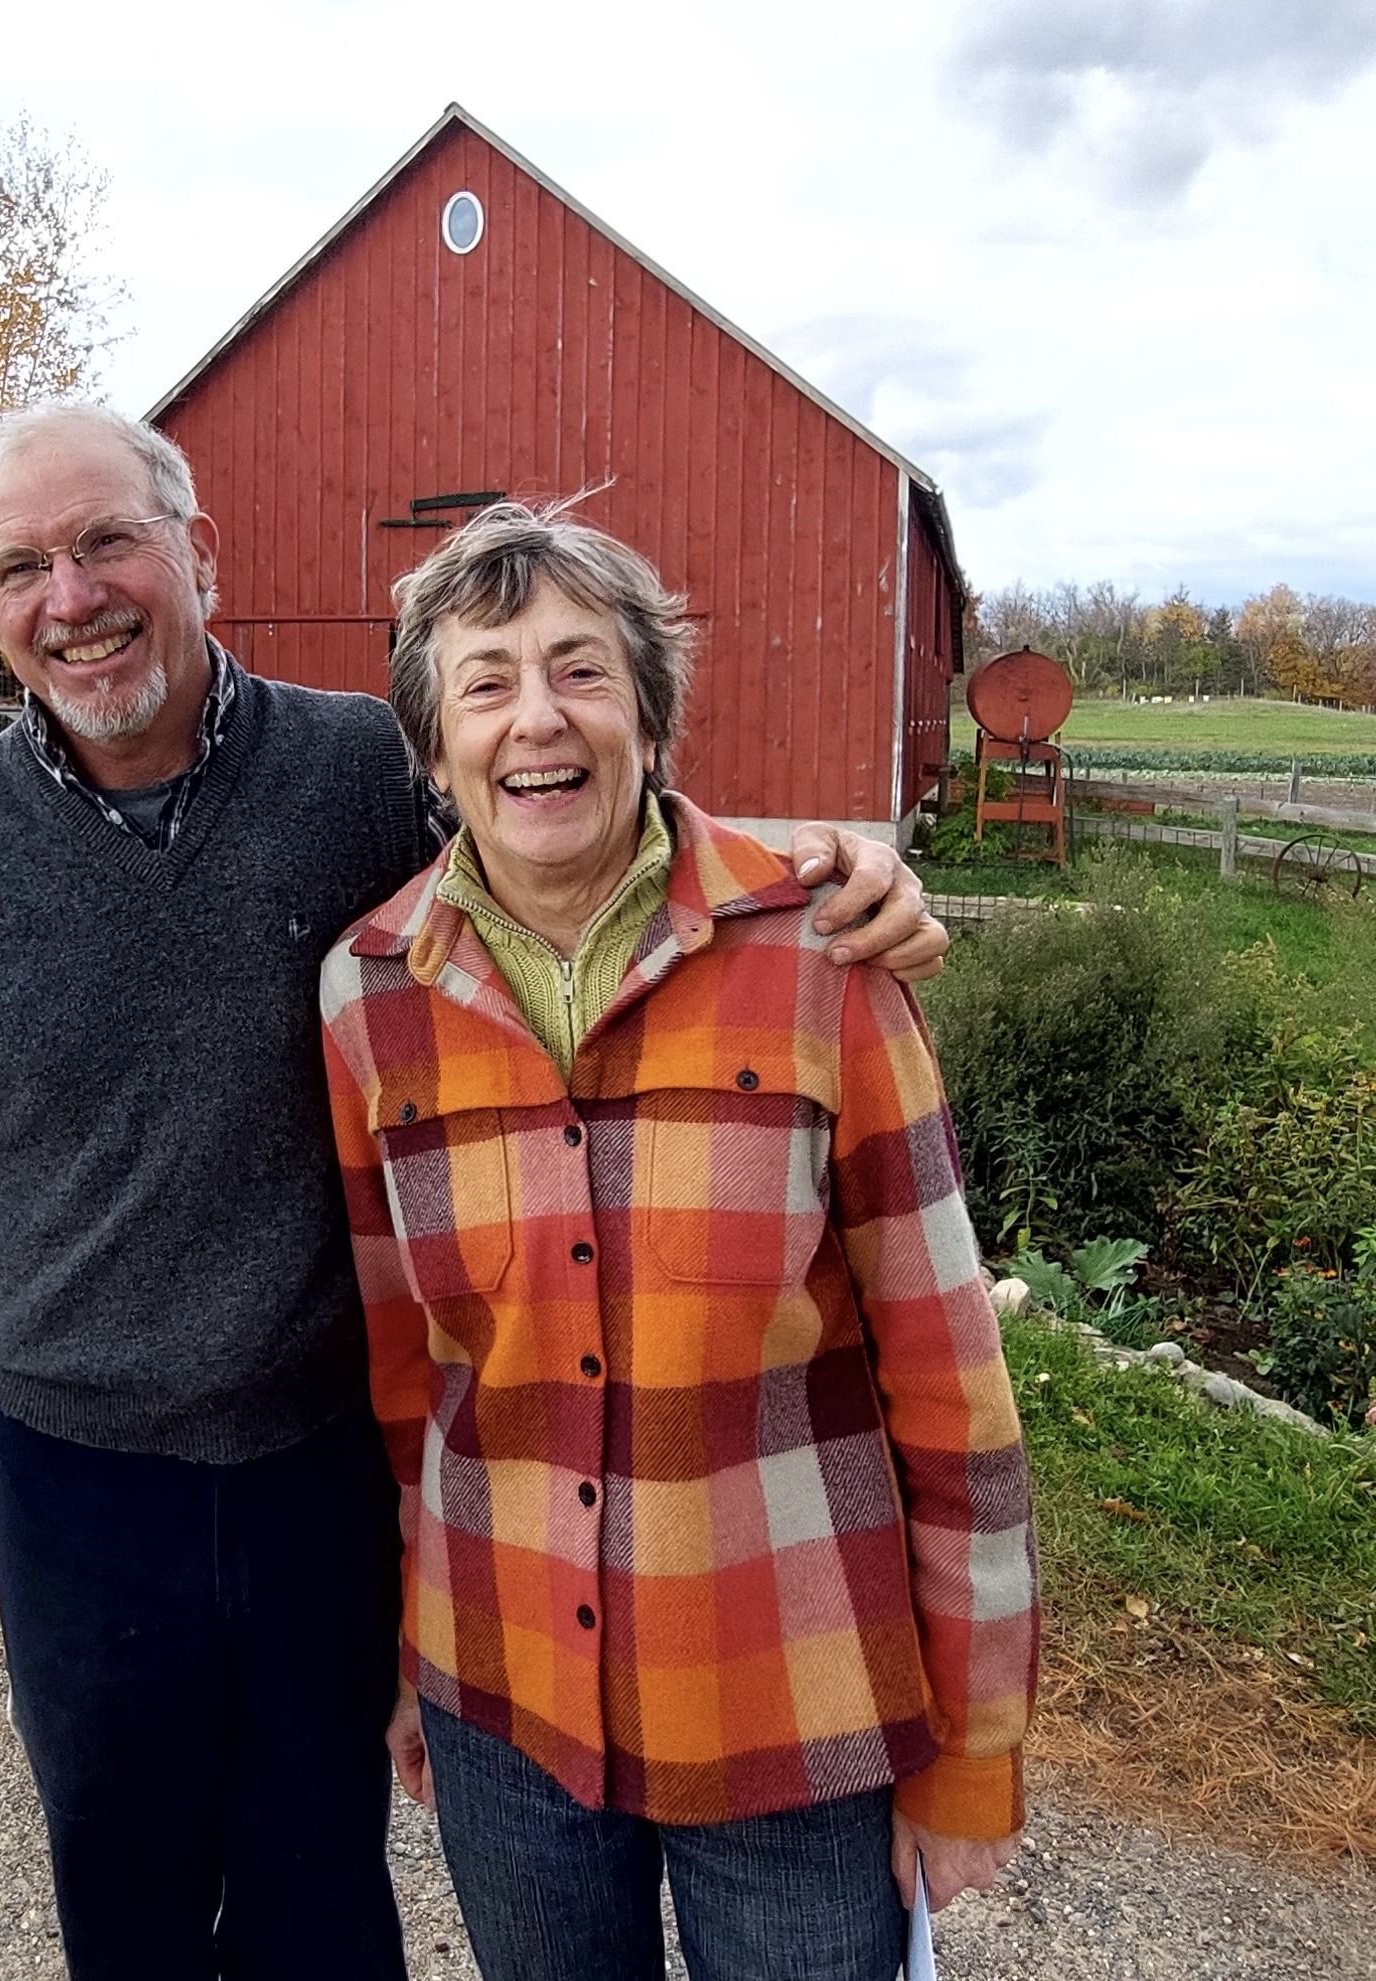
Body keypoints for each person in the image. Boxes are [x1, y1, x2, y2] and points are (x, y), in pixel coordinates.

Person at [0, 403, 953, 1980]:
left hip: (321, 1461)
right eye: (22, 564)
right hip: (74, 1471)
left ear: (195, 554)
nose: (70, 594)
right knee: (122, 1878)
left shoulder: (366, 764)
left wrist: (830, 871)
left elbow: (578, 828)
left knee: (321, 1884)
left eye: (105, 540)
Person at [319, 502, 1037, 1981]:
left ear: (651, 713)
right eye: (486, 680)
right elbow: (403, 1388)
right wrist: (405, 1654)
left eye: (582, 669)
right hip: (502, 1694)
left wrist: (971, 1746)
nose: (539, 718)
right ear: (433, 744)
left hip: (791, 1699)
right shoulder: (367, 995)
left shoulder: (821, 960)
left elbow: (952, 1388)